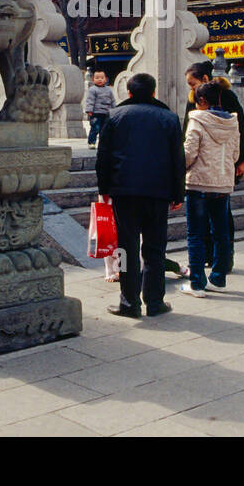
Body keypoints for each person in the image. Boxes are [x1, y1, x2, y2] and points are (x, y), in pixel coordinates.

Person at [95, 73, 184, 318]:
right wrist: (179, 193)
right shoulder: (169, 118)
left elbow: (103, 157)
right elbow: (178, 159)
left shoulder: (114, 116)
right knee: (155, 249)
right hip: (158, 193)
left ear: (129, 92)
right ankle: (155, 302)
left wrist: (103, 190)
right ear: (154, 92)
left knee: (126, 248)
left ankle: (129, 303)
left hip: (124, 192)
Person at [180, 61, 244, 275]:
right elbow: (187, 134)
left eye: (192, 84)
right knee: (208, 221)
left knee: (220, 220)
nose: (190, 89)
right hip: (209, 168)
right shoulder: (193, 100)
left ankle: (223, 260)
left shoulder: (226, 97)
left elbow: (241, 130)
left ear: (204, 79)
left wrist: (242, 158)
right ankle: (210, 260)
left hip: (216, 169)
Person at [180, 81, 240, 298]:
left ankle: (197, 283)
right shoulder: (232, 122)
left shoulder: (197, 120)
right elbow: (235, 155)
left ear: (202, 101)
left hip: (198, 183)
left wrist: (179, 168)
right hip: (223, 183)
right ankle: (218, 278)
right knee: (220, 232)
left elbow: (189, 153)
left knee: (195, 233)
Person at [83, 70, 115, 149]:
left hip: (107, 113)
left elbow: (112, 100)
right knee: (95, 128)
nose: (100, 79)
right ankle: (91, 142)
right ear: (93, 80)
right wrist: (89, 110)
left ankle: (104, 143)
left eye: (102, 78)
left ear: (105, 79)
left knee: (105, 130)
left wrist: (115, 110)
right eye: (97, 78)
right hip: (96, 113)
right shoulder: (92, 90)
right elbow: (90, 100)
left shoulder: (109, 90)